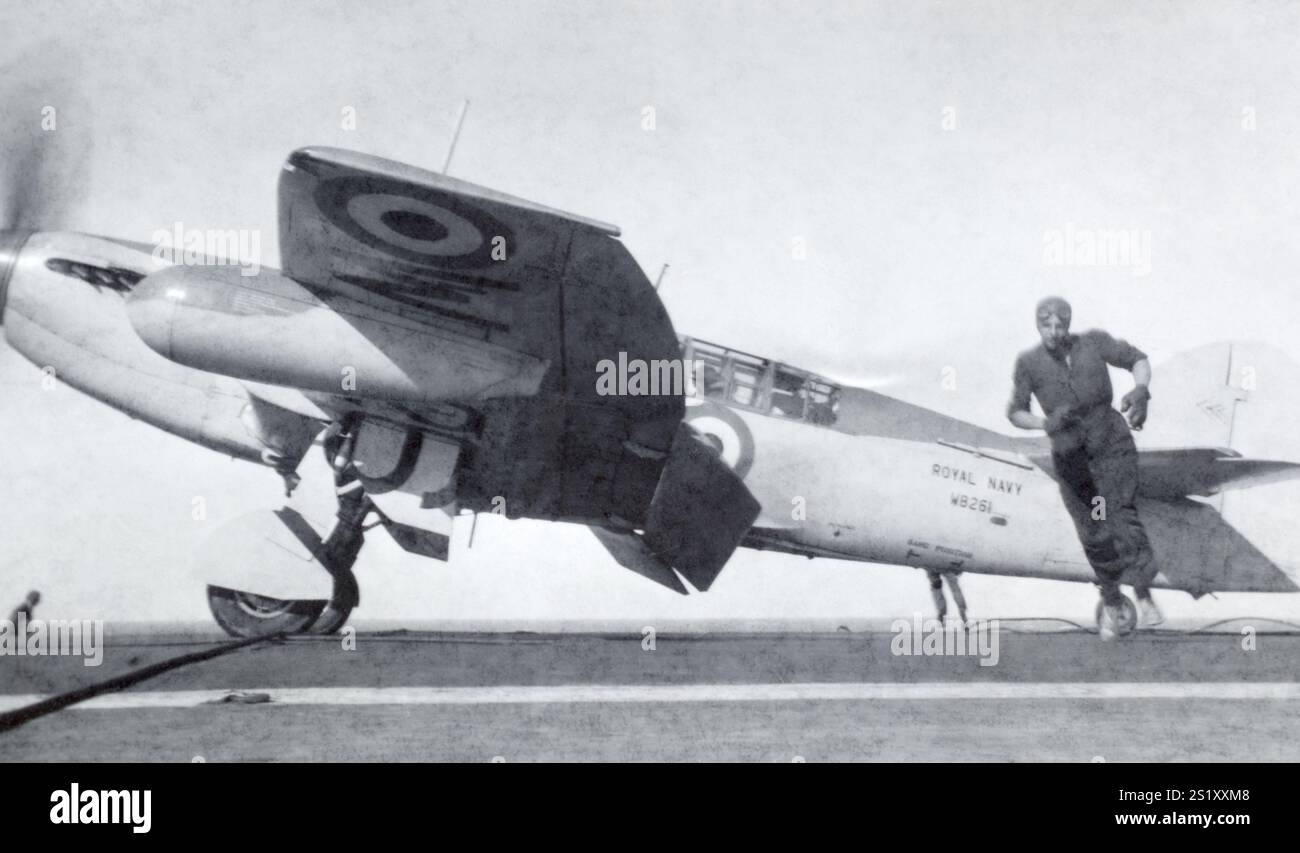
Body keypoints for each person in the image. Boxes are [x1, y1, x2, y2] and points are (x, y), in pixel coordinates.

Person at [1006, 297, 1162, 640]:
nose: (1054, 332)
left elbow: (1138, 359)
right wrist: (1043, 423)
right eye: (1047, 326)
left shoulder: (1093, 343)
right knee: (1094, 531)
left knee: (1121, 517)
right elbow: (1015, 411)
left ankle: (1144, 592)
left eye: (1060, 325)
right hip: (1072, 457)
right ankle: (1111, 599)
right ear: (1038, 325)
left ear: (1068, 323)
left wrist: (1140, 389)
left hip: (1111, 447)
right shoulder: (1028, 363)